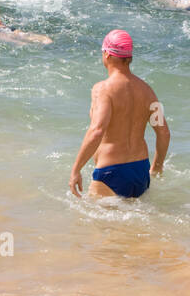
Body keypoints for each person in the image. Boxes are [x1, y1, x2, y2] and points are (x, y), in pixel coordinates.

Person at [68, 30, 170, 199]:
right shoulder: (147, 91)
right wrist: (157, 167)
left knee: (98, 225)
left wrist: (75, 170)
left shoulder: (103, 89)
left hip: (110, 172)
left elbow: (97, 130)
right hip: (140, 171)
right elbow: (164, 132)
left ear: (107, 54)